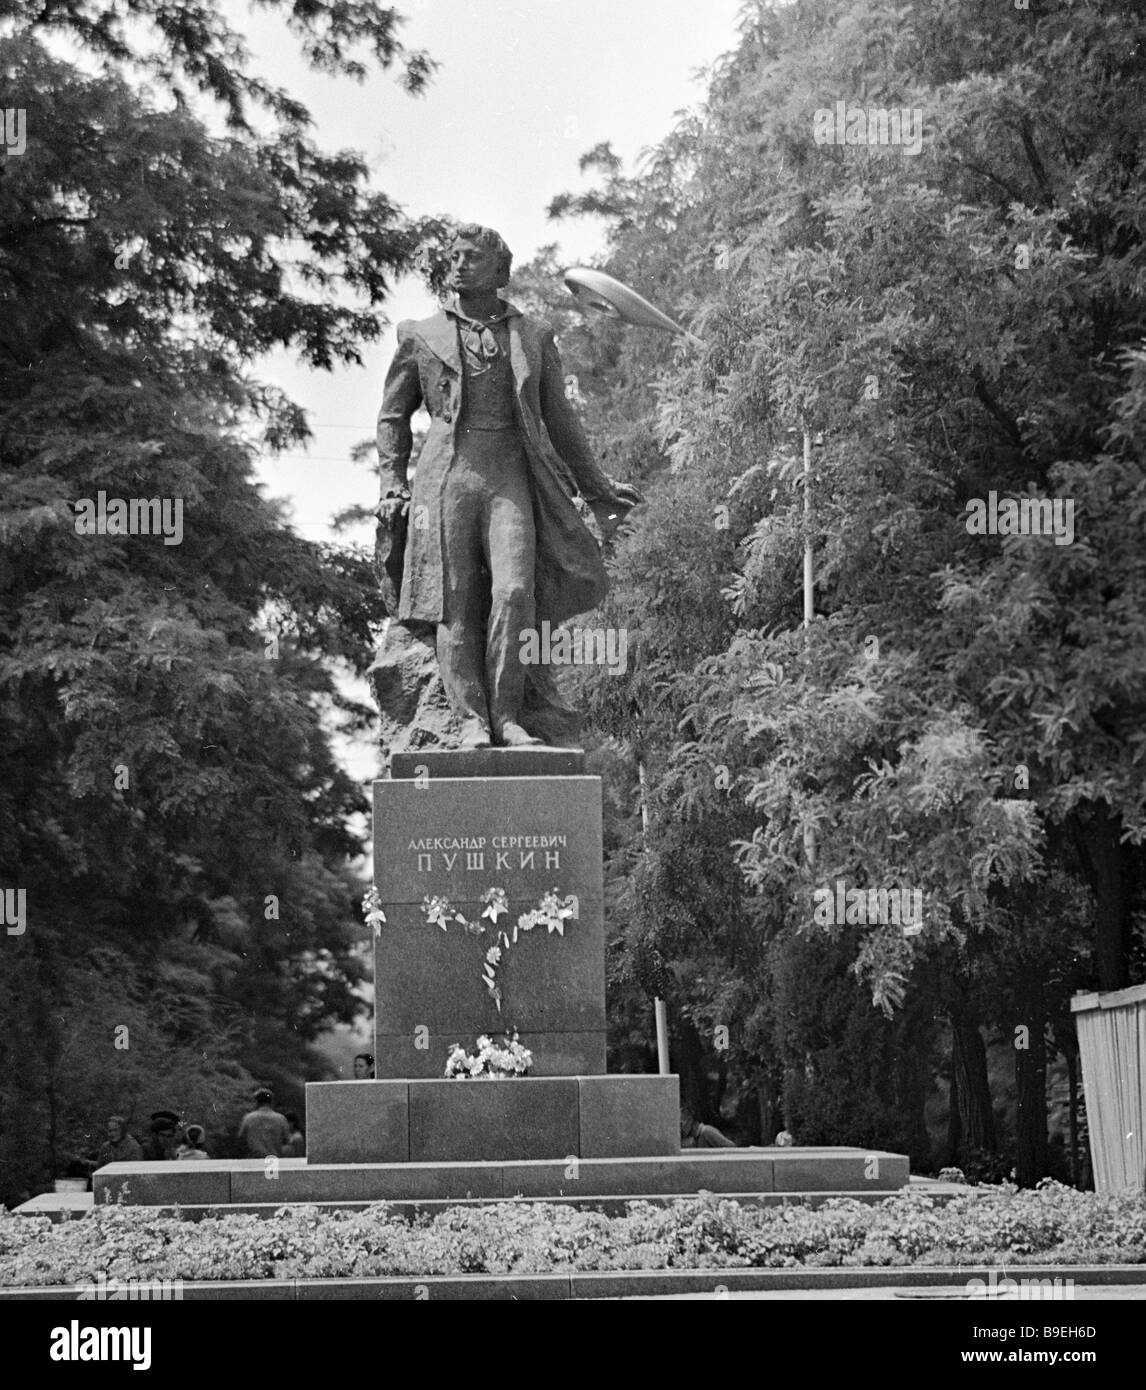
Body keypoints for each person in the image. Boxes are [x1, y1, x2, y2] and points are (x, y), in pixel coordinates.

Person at [376, 223, 641, 749]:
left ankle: (509, 716)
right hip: (444, 480)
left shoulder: (533, 336)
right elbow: (392, 417)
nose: (458, 264)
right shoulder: (420, 335)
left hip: (509, 478)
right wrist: (391, 483)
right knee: (455, 602)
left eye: (471, 256)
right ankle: (470, 721)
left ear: (500, 269)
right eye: (452, 256)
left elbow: (561, 423)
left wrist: (596, 488)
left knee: (515, 593)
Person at [237, 1088, 291, 1158]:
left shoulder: (248, 1118)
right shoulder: (281, 1119)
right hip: (274, 1160)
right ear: (271, 1102)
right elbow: (287, 1141)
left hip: (254, 1159)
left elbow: (240, 1138)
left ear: (257, 1102)